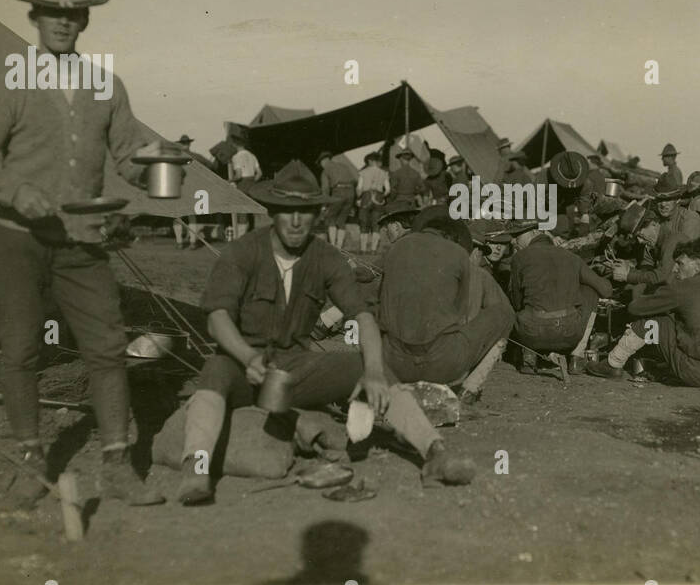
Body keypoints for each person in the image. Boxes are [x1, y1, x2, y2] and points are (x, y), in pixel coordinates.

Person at [0, 0, 165, 507]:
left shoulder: (106, 85)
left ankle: (118, 464)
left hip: (82, 239)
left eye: (72, 14)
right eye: (52, 13)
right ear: (35, 18)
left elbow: (127, 156)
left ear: (84, 20)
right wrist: (11, 188)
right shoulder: (11, 80)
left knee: (106, 345)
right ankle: (32, 462)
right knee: (20, 348)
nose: (62, 23)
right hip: (17, 237)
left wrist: (158, 168)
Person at [177, 162, 475, 504]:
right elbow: (216, 318)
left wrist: (375, 371)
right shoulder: (242, 252)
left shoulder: (326, 258)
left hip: (297, 369)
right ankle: (195, 469)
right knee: (215, 369)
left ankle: (434, 453)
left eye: (305, 211)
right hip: (244, 369)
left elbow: (362, 316)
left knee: (368, 368)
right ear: (274, 212)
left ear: (317, 213)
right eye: (288, 211)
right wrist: (246, 357)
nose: (296, 221)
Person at [378, 206, 516, 405]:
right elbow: (462, 313)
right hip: (440, 362)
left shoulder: (396, 249)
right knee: (504, 314)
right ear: (453, 235)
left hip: (392, 359)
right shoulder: (459, 257)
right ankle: (470, 388)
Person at [587, 239, 700, 387]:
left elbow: (635, 308)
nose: (674, 269)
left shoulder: (683, 287)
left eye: (680, 263)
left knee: (654, 321)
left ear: (697, 265)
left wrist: (663, 301)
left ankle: (613, 363)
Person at [509, 230, 612, 375]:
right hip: (570, 334)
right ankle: (577, 357)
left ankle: (529, 356)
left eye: (517, 236)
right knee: (590, 290)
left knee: (525, 303)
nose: (513, 241)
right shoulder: (571, 257)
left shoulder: (519, 257)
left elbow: (516, 302)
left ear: (533, 232)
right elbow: (606, 291)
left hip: (530, 334)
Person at [318, 148, 360, 249]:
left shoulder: (325, 170)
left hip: (338, 192)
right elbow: (355, 180)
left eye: (320, 163)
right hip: (351, 192)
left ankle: (333, 246)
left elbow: (325, 189)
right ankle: (340, 247)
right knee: (342, 221)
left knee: (330, 218)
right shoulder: (343, 166)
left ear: (323, 161)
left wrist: (324, 205)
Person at [228, 134, 262, 239]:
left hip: (242, 184)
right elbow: (260, 173)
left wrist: (229, 180)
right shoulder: (252, 155)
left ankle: (240, 238)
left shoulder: (236, 157)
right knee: (250, 211)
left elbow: (238, 175)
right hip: (251, 183)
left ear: (234, 144)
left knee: (241, 213)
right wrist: (252, 182)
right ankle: (251, 236)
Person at [355, 151, 389, 252]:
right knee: (376, 224)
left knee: (363, 223)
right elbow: (388, 190)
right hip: (379, 197)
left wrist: (358, 198)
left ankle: (363, 249)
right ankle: (373, 249)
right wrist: (381, 196)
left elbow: (359, 188)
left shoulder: (363, 172)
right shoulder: (383, 173)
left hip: (366, 197)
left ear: (370, 161)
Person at [387, 146, 427, 212]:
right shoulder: (416, 173)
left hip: (399, 202)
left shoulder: (396, 173)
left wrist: (391, 200)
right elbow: (423, 188)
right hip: (411, 202)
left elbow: (393, 190)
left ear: (401, 159)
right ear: (410, 159)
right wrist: (414, 192)